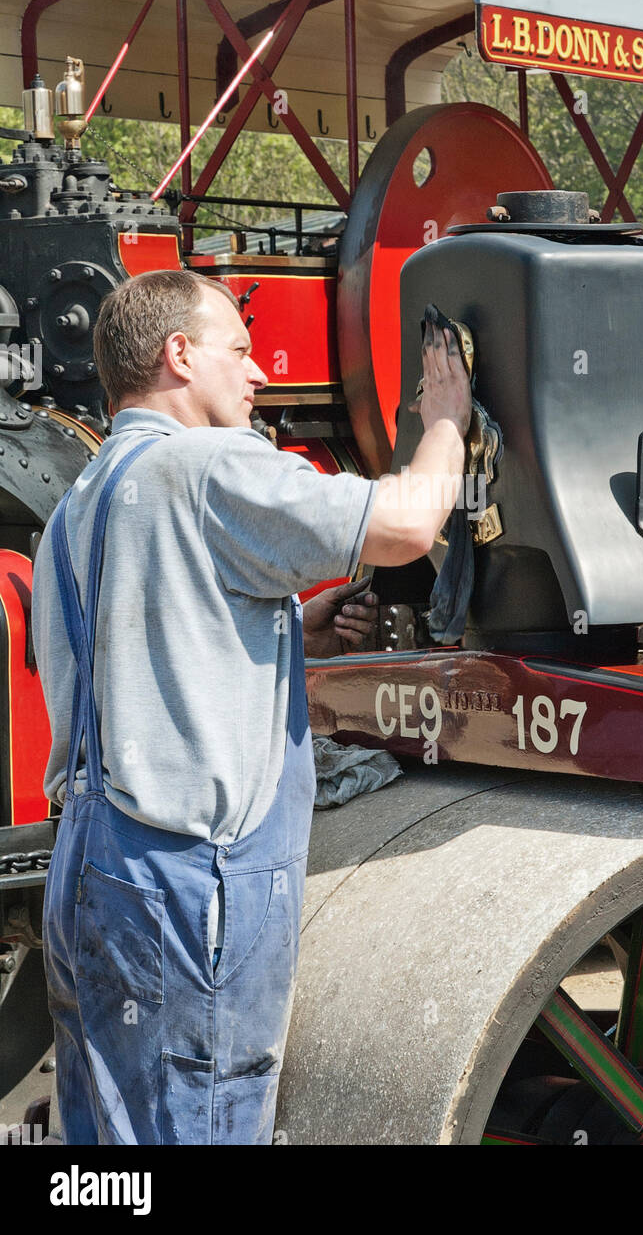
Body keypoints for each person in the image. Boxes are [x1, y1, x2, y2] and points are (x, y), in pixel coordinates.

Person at [31, 268, 471, 1145]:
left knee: (111, 1145)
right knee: (202, 1119)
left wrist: (286, 636)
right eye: (239, 348)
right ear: (178, 354)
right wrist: (448, 418)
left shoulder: (80, 503)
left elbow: (145, 659)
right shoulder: (207, 465)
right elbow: (407, 523)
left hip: (87, 867)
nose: (259, 372)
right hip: (187, 878)